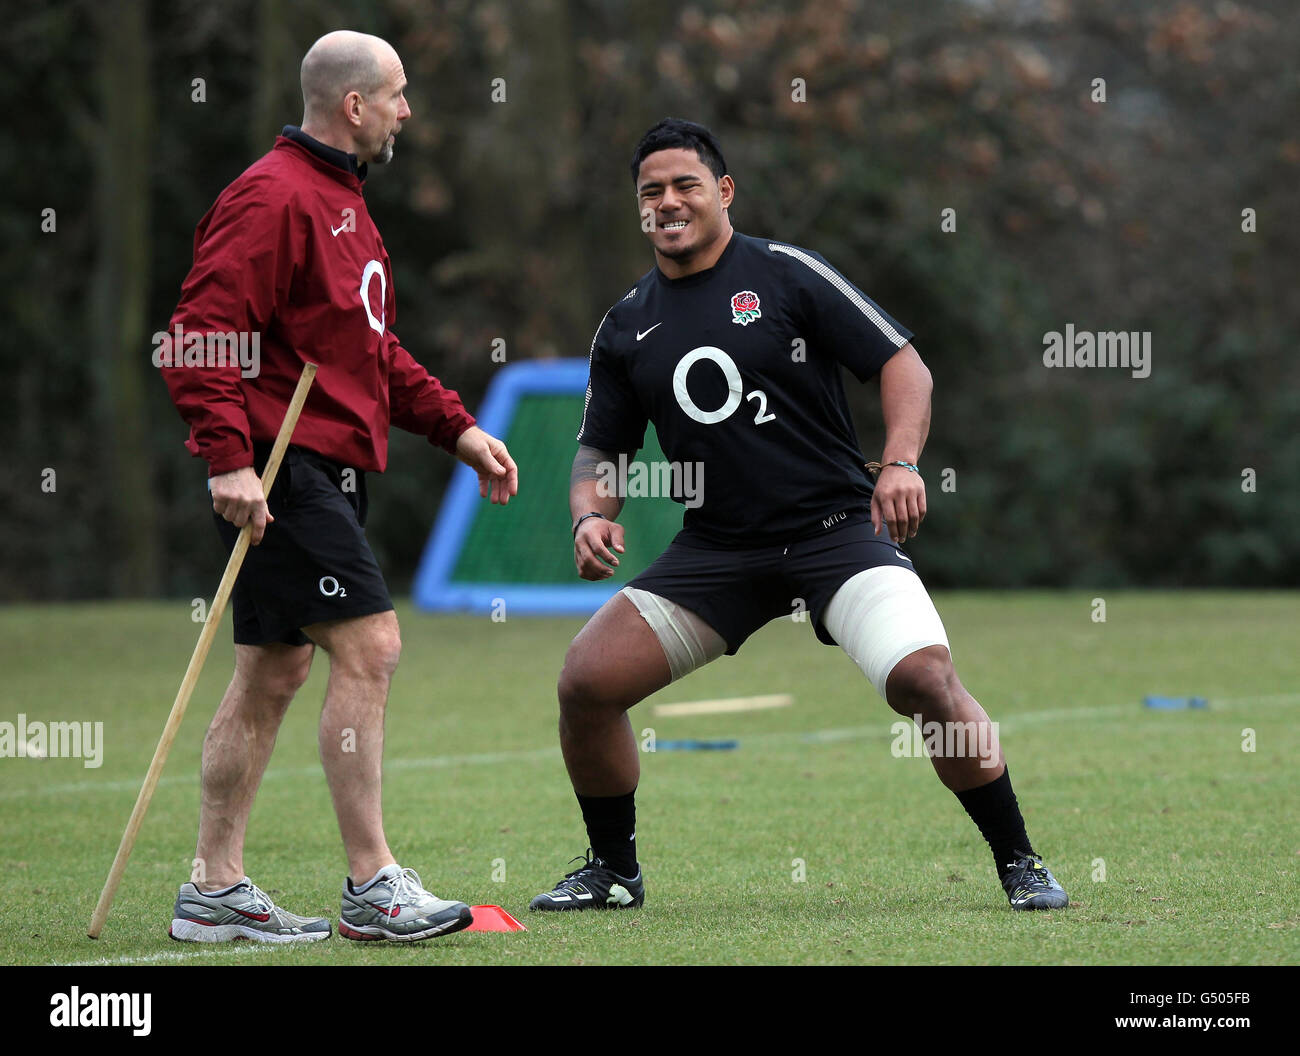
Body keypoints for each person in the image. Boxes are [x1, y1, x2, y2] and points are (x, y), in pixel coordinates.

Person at [530, 118, 1066, 914]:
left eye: (686, 185)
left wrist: (902, 462)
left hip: (833, 535)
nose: (669, 202)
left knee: (924, 678)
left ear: (724, 191)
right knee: (586, 683)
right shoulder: (625, 324)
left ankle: (1019, 860)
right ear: (638, 208)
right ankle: (614, 872)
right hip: (716, 551)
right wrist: (588, 516)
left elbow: (901, 363)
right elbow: (600, 450)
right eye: (652, 192)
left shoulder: (786, 274)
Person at [159, 30, 518, 943]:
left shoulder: (346, 201)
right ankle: (373, 885)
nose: (408, 110)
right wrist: (226, 455)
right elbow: (199, 331)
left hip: (327, 468)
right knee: (373, 647)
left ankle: (214, 888)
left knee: (273, 672)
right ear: (354, 106)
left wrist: (459, 428)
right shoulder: (272, 195)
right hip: (286, 470)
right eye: (398, 94)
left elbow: (365, 353)